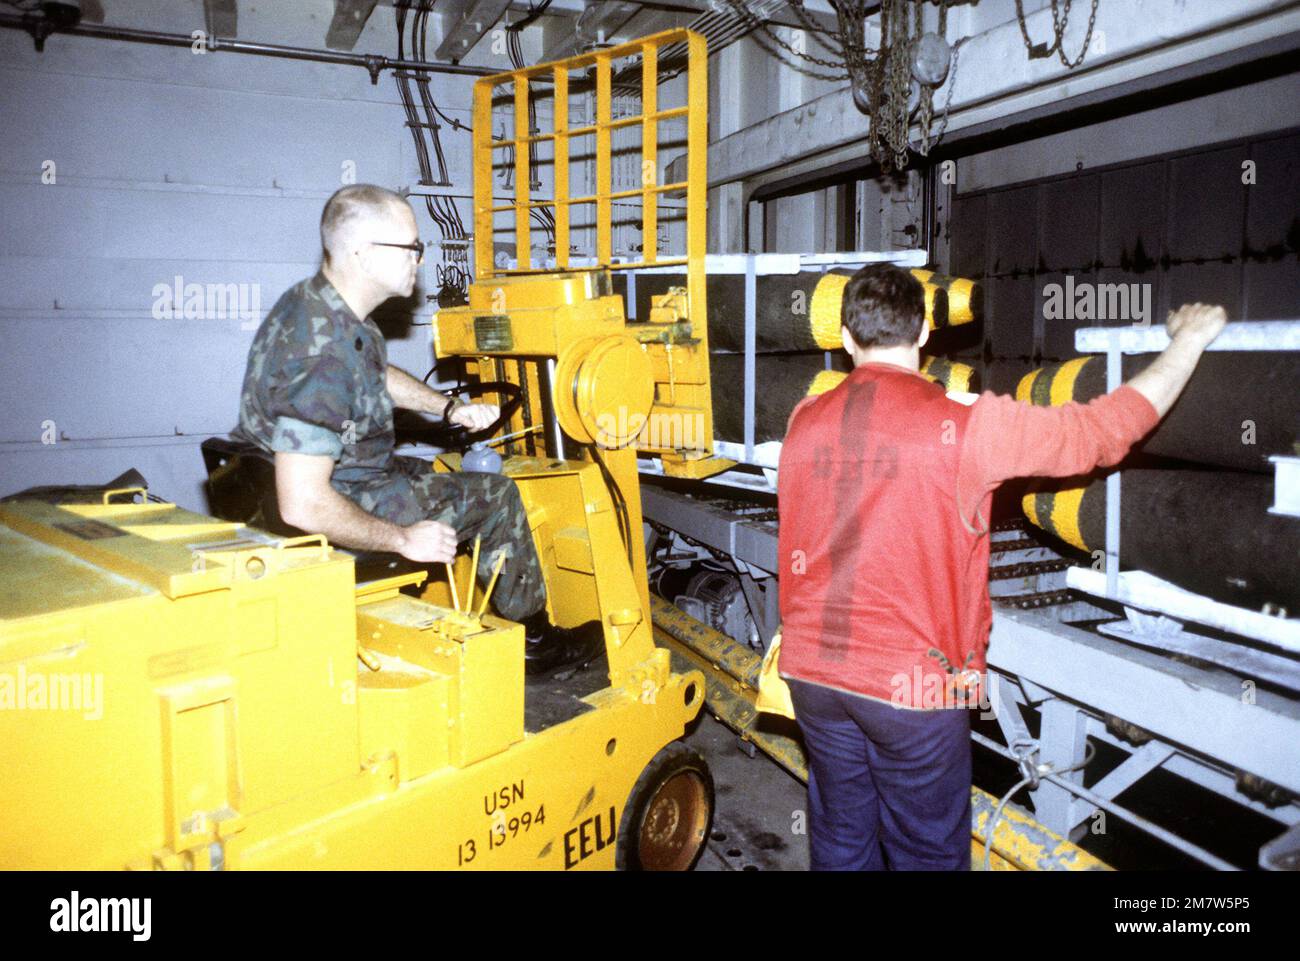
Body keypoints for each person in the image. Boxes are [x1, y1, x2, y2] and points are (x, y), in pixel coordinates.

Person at [776, 262, 1226, 870]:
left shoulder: (804, 420)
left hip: (813, 675)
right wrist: (1188, 341)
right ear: (928, 329)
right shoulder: (966, 426)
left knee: (842, 837)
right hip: (914, 685)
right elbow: (1104, 432)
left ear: (846, 337)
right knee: (926, 851)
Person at [234, 183, 601, 675]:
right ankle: (538, 644)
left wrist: (448, 408)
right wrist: (405, 540)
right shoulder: (319, 354)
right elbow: (303, 503)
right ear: (363, 254)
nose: (419, 260)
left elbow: (375, 375)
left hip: (350, 474)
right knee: (495, 497)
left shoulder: (324, 309)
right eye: (411, 248)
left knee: (433, 468)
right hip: (331, 501)